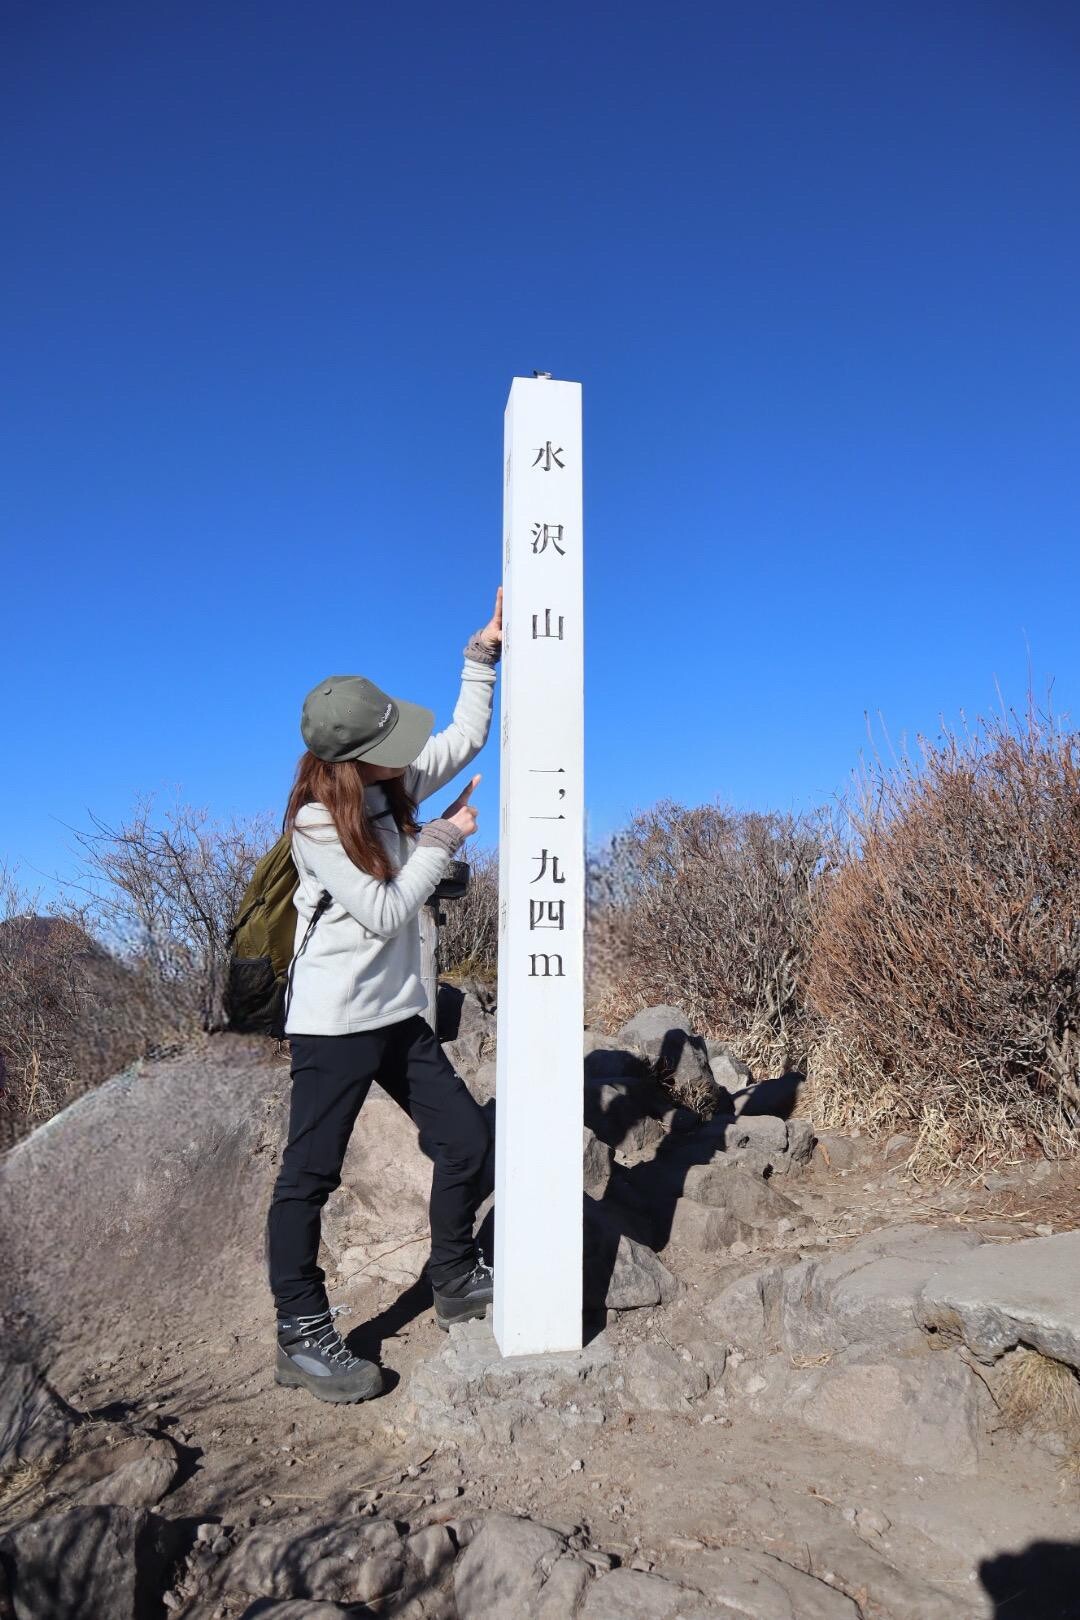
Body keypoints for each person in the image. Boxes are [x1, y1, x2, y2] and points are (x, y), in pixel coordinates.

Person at [266, 587, 503, 1404]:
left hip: (399, 1014)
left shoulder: (391, 786)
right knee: (310, 1178)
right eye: (392, 744)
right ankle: (300, 1335)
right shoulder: (316, 825)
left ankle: (455, 1278)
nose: (410, 752)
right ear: (354, 757)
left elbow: (466, 736)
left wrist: (482, 655)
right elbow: (381, 910)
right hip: (335, 1026)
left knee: (467, 1142)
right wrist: (444, 839)